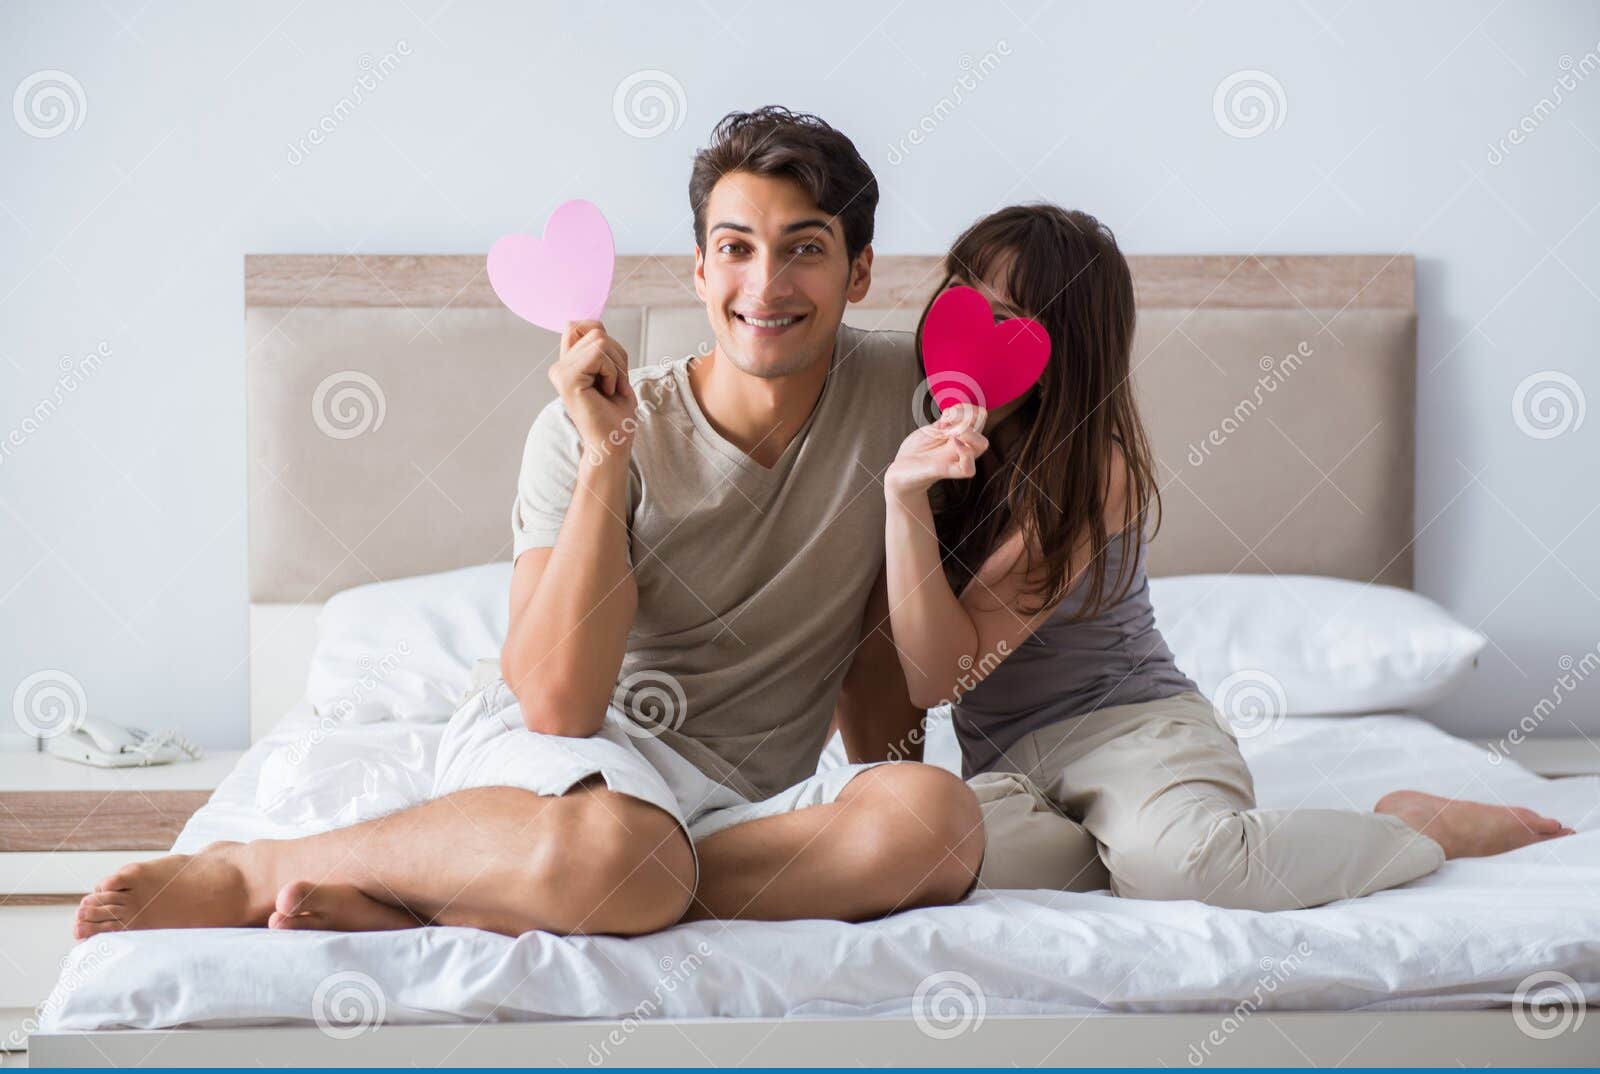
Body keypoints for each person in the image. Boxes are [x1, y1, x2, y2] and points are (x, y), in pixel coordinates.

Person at [74, 107, 982, 940]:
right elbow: (557, 706)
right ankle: (261, 866)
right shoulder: (582, 428)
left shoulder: (910, 400)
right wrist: (607, 457)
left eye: (806, 249)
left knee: (939, 826)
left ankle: (460, 893)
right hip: (567, 764)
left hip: (741, 810)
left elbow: (878, 672)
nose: (766, 284)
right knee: (618, 852)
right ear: (701, 268)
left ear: (861, 270)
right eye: (737, 248)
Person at [880, 202, 1574, 910]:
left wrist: (903, 505)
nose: (971, 331)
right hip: (1007, 771)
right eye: (962, 295)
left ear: (1065, 350)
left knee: (1185, 869)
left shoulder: (1094, 471)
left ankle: (1411, 825)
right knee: (911, 858)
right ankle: (1123, 850)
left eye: (1008, 319)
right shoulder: (901, 426)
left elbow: (942, 674)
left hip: (1130, 732)